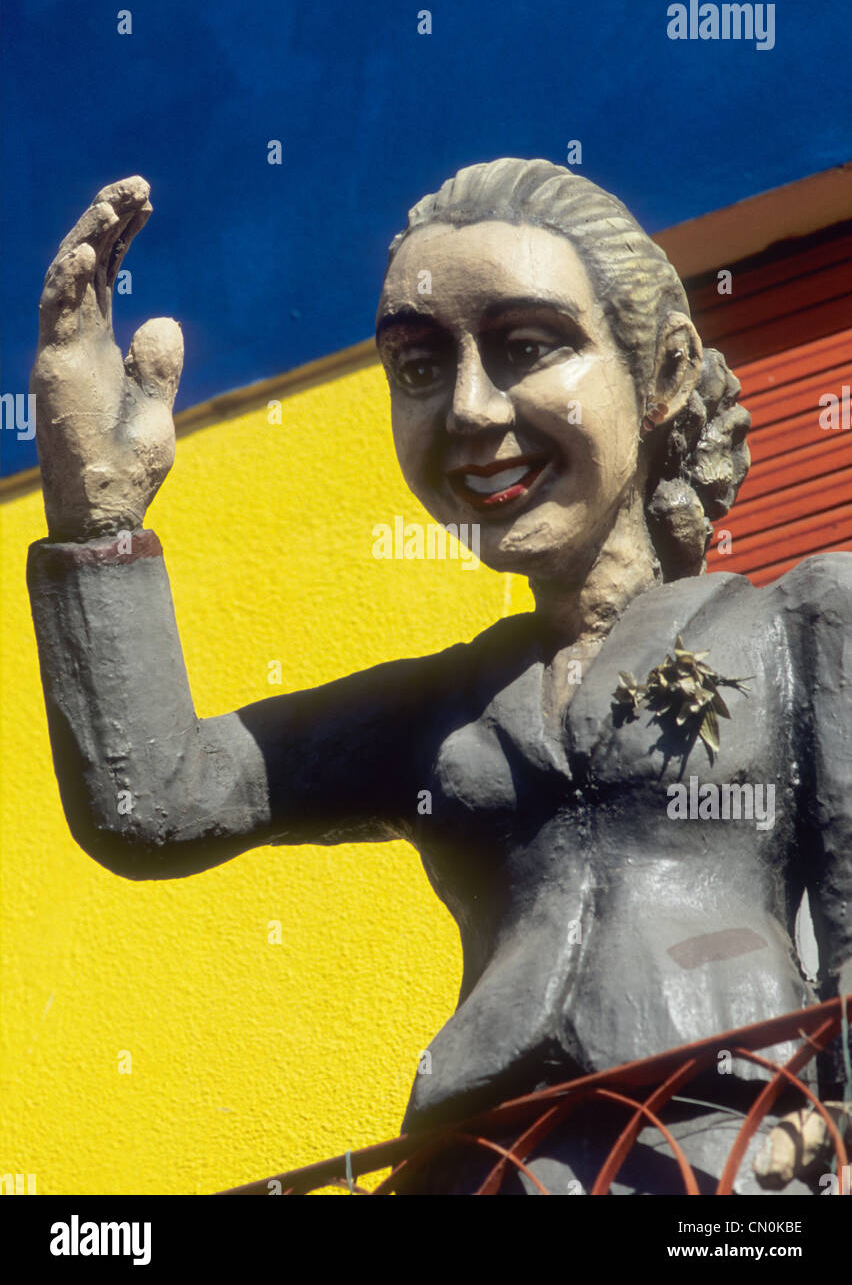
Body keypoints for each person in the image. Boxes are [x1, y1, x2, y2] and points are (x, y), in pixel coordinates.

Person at [27, 160, 851, 1194]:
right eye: (418, 367)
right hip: (478, 1172)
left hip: (735, 1161)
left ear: (665, 372)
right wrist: (97, 528)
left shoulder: (803, 620)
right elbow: (155, 798)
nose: (468, 408)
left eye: (527, 346)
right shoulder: (436, 706)